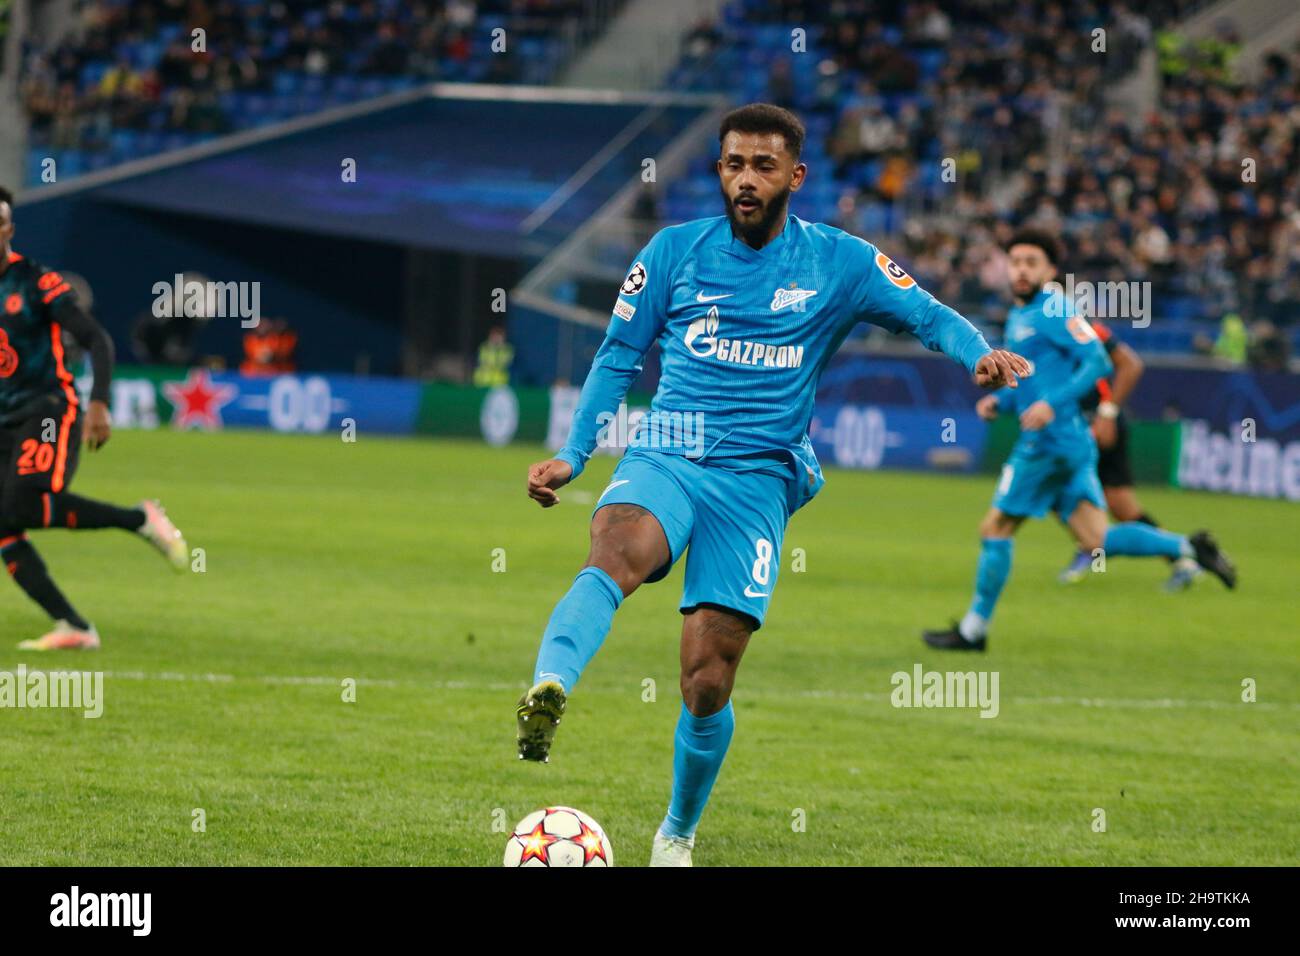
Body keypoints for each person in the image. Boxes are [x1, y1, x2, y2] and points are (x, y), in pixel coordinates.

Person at [516, 104, 1031, 866]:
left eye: (762, 166)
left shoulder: (842, 263)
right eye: (732, 164)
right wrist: (574, 454)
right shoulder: (671, 251)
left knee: (705, 680)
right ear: (719, 171)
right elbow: (618, 355)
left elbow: (926, 314)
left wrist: (976, 353)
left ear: (796, 175)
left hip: (759, 474)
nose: (745, 179)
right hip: (671, 447)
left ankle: (676, 834)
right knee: (617, 549)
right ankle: (550, 686)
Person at [923, 230, 1236, 653]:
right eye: (1015, 261)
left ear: (1050, 270)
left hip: (1048, 443)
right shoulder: (1021, 314)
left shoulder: (1053, 308)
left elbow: (1098, 362)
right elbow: (1039, 380)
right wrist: (1003, 401)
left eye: (1031, 262)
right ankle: (1190, 547)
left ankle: (973, 632)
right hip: (1065, 441)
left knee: (995, 528)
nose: (1020, 269)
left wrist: (1052, 405)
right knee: (1097, 539)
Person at [0, 185, 190, 650]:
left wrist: (100, 403)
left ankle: (139, 519)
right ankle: (75, 627)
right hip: (3, 417)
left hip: (48, 408)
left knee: (24, 504)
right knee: (3, 527)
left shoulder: (36, 282)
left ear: (8, 229)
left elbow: (96, 339)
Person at [1057, 320, 1201, 590]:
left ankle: (1184, 556)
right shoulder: (1032, 325)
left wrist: (1107, 414)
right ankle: (1093, 548)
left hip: (1098, 424)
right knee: (1091, 499)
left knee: (1112, 503)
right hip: (1071, 425)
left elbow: (1131, 364)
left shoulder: (1080, 326)